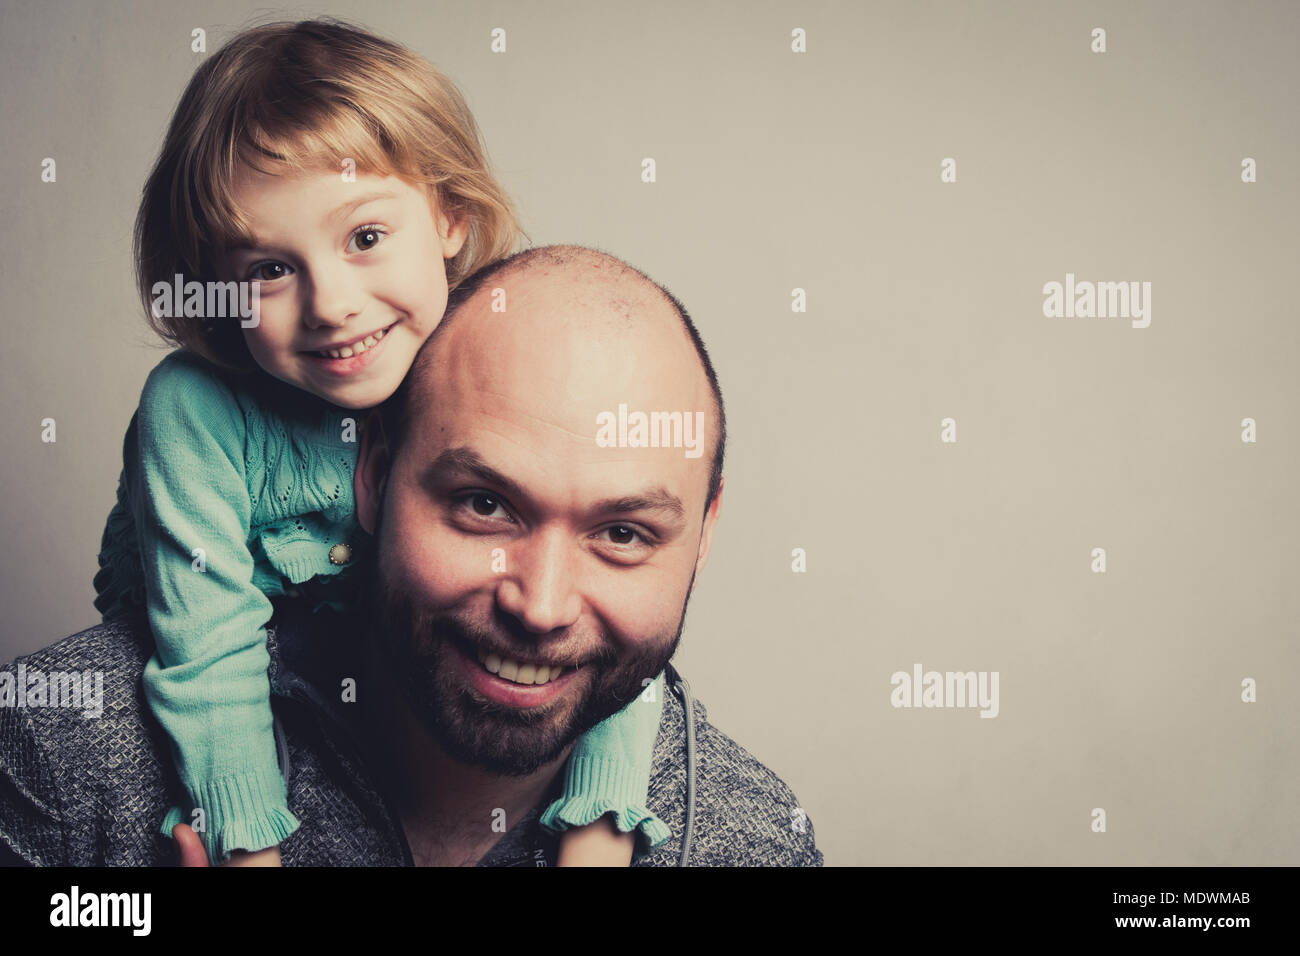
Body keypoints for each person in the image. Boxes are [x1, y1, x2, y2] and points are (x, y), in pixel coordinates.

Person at [0, 246, 824, 867]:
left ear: (704, 537)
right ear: (375, 473)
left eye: (623, 535)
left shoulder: (748, 841)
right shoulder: (66, 750)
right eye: (485, 505)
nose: (540, 606)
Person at [89, 18, 663, 867]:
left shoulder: (483, 360)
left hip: (382, 667)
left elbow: (599, 603)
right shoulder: (195, 409)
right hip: (208, 663)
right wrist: (246, 848)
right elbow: (207, 650)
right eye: (269, 269)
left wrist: (596, 832)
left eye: (365, 239)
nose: (331, 304)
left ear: (452, 219)